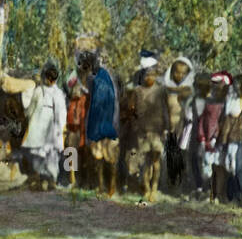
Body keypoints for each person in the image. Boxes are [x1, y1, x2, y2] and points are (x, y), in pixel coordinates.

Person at [3, 62, 67, 190]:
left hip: (47, 127)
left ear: (48, 79)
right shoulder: (49, 92)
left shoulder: (48, 92)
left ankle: (48, 180)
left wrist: (60, 128)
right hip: (42, 127)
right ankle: (42, 179)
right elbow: (61, 114)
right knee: (42, 154)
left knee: (47, 153)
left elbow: (31, 109)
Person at [127, 56, 168, 202]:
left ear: (156, 76)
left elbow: (165, 110)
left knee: (156, 161)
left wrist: (165, 129)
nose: (149, 77)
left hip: (156, 132)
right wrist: (136, 126)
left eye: (152, 74)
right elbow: (131, 111)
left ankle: (155, 188)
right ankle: (146, 188)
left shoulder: (161, 91)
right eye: (147, 74)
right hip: (142, 133)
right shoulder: (137, 91)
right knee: (144, 162)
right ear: (142, 76)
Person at [80, 51, 120, 197]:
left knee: (109, 157)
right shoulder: (94, 78)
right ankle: (102, 186)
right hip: (99, 123)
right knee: (99, 157)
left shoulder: (103, 78)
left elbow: (106, 103)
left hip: (106, 124)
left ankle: (111, 187)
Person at [215, 74, 242, 202]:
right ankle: (225, 195)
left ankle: (239, 196)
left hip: (237, 140)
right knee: (226, 166)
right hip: (226, 139)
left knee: (237, 168)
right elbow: (223, 121)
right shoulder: (228, 100)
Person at [162, 56, 195, 192]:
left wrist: (171, 90)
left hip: (186, 127)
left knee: (182, 157)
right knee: (169, 156)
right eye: (177, 72)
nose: (180, 75)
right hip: (170, 126)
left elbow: (186, 91)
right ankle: (168, 186)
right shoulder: (165, 89)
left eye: (183, 73)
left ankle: (180, 187)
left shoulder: (189, 88)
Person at [64, 77, 88, 188]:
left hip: (82, 130)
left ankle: (83, 180)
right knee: (70, 153)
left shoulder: (85, 99)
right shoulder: (70, 101)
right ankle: (71, 179)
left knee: (83, 155)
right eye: (73, 88)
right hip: (72, 130)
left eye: (77, 88)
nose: (75, 90)